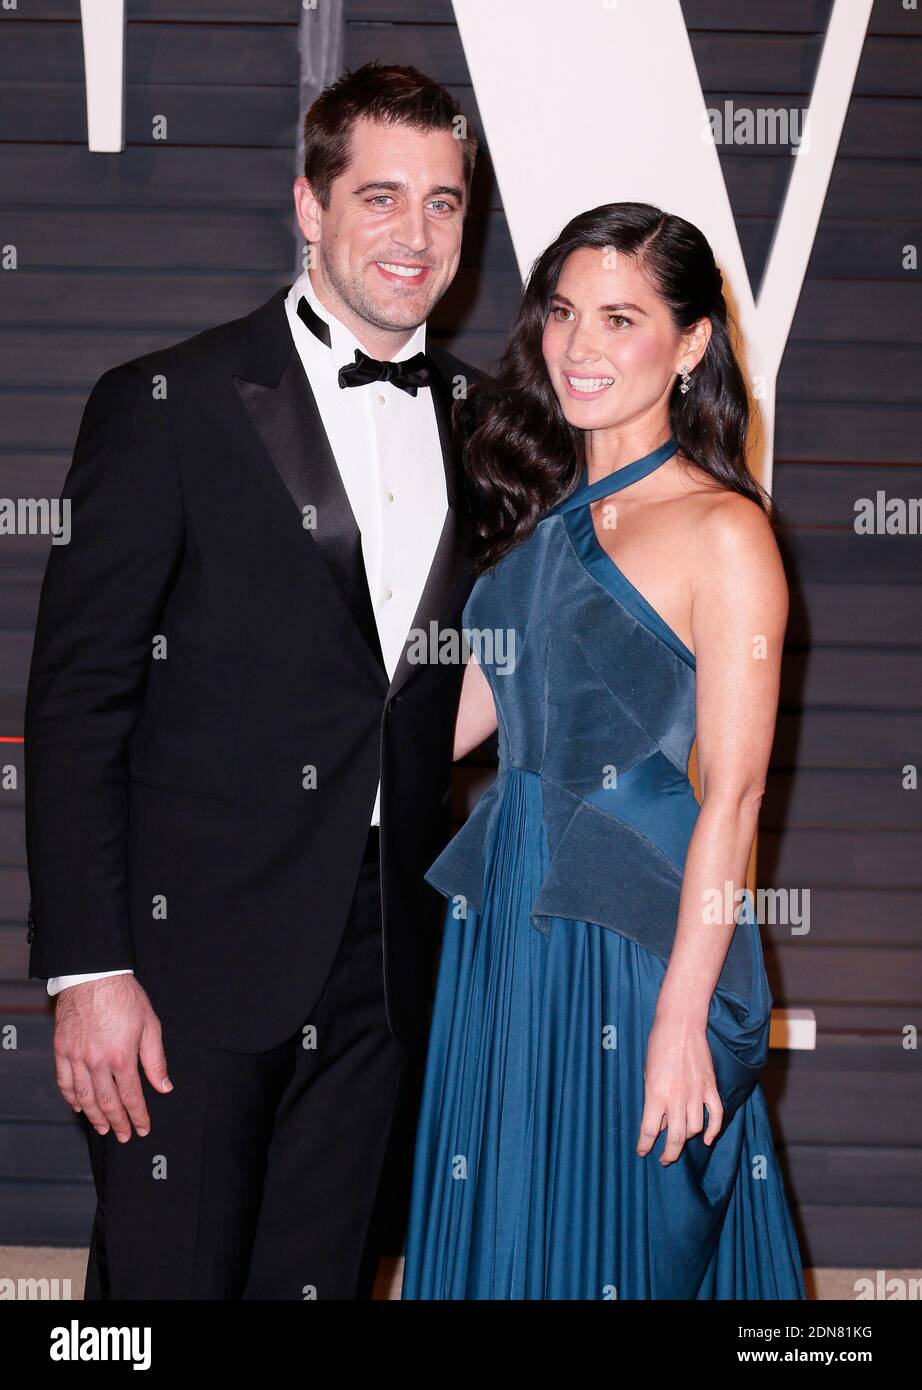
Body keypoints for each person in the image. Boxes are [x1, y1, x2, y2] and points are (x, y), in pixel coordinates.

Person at [24, 62, 480, 1300]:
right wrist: (89, 971)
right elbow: (75, 705)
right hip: (186, 964)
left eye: (443, 202)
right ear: (308, 204)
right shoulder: (166, 403)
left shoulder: (484, 425)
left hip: (384, 965)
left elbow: (440, 690)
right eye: (380, 196)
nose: (413, 232)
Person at [401, 202, 806, 1300]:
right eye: (564, 314)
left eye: (620, 318)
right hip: (513, 930)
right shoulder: (534, 532)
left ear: (689, 345)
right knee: (513, 1234)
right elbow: (434, 733)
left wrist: (680, 1015)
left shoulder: (725, 531)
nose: (580, 347)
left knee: (610, 1246)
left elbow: (732, 795)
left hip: (639, 944)